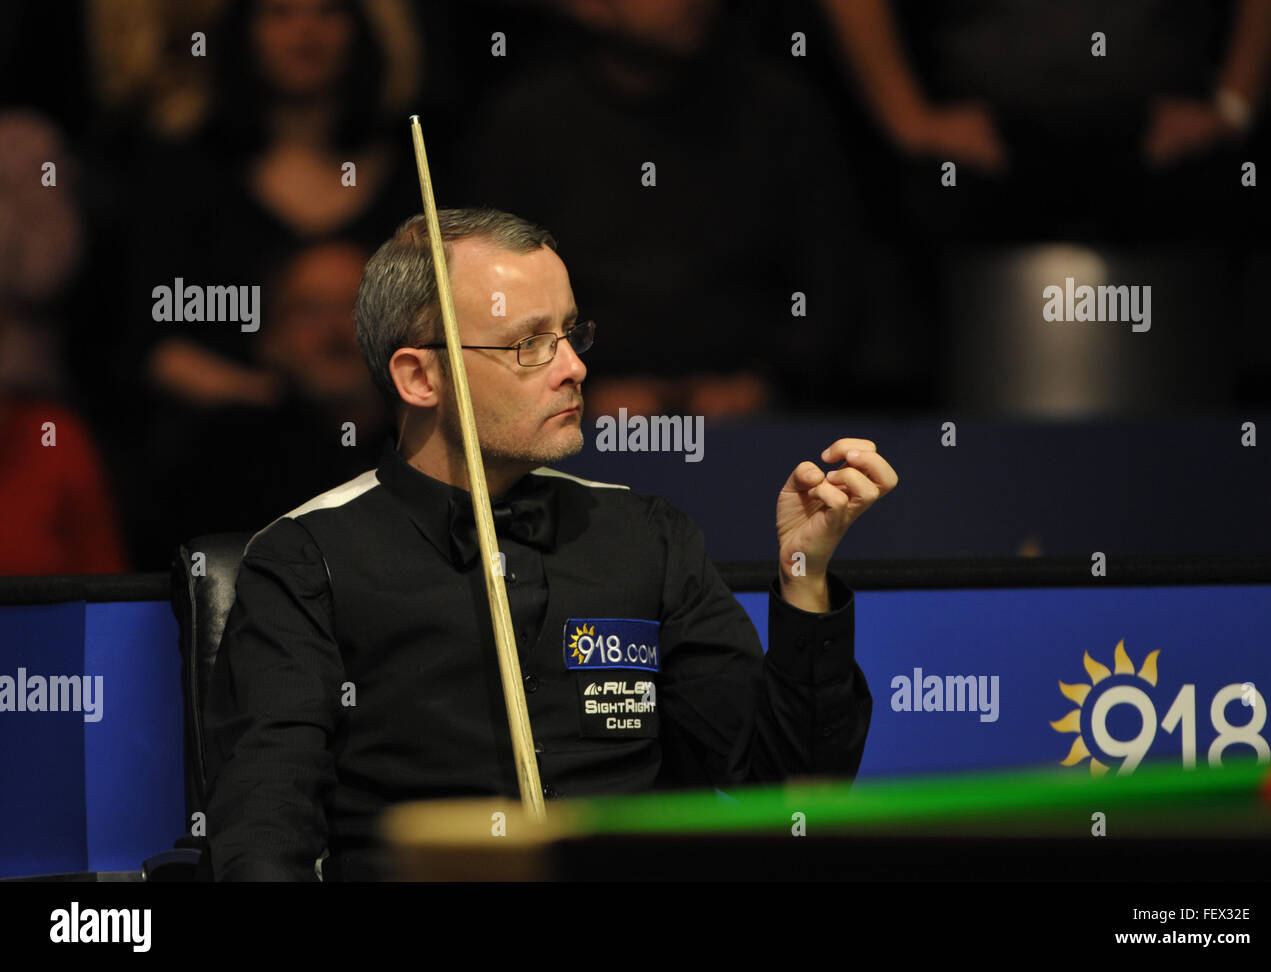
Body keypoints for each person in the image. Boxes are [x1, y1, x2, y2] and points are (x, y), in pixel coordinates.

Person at [203, 208, 898, 881]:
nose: (573, 366)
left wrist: (804, 575)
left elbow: (789, 789)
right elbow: (266, 831)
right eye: (528, 343)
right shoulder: (308, 559)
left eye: (571, 333)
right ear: (420, 378)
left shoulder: (644, 536)